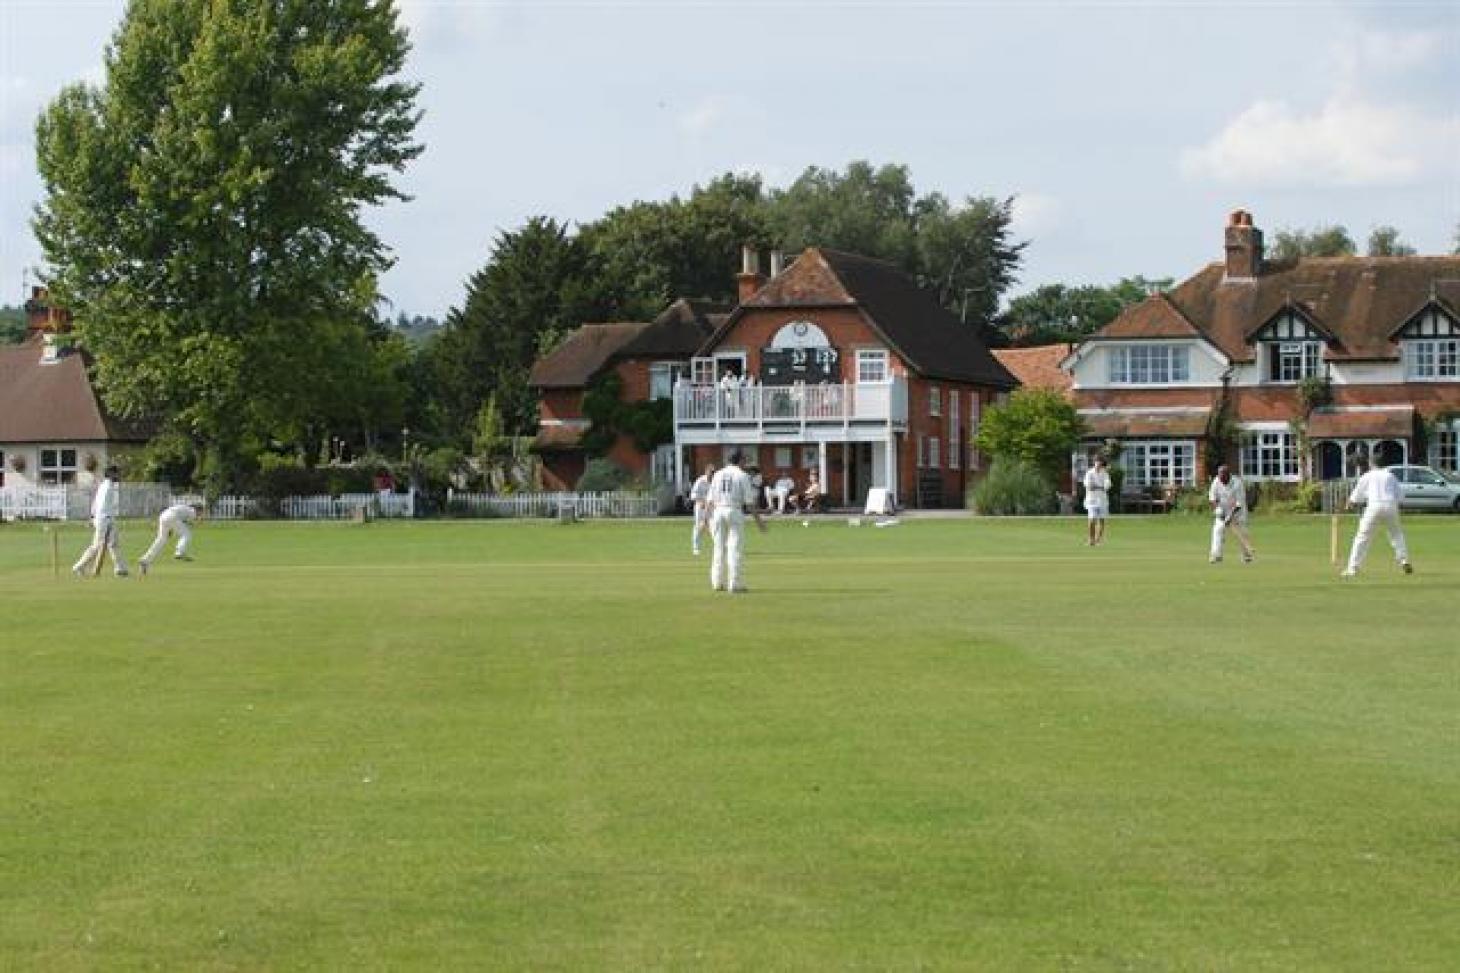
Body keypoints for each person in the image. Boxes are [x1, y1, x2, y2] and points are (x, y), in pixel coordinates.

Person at [707, 450, 766, 593]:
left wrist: (707, 519)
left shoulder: (718, 474)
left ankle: (717, 582)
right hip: (734, 510)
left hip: (718, 511)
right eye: (744, 460)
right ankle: (735, 583)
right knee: (734, 548)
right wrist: (759, 521)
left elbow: (710, 500)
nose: (745, 463)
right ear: (739, 461)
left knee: (718, 547)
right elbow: (749, 502)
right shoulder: (742, 475)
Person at [1343, 455, 1412, 577]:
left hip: (1374, 505)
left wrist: (1350, 504)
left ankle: (1352, 568)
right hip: (1391, 505)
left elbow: (1357, 494)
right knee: (1396, 534)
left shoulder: (1367, 476)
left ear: (1371, 463)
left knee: (1362, 537)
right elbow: (1400, 496)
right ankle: (1404, 560)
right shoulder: (1390, 476)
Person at [72, 465, 128, 578]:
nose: (119, 475)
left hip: (107, 519)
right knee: (97, 546)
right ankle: (79, 567)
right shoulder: (107, 487)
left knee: (113, 544)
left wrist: (93, 516)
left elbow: (95, 503)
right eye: (117, 473)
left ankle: (120, 569)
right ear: (112, 474)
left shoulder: (106, 486)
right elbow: (101, 505)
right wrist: (102, 520)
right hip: (104, 519)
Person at [1207, 464, 1255, 564]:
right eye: (1220, 477)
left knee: (1242, 532)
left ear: (1228, 475)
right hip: (1222, 511)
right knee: (1218, 530)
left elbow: (1239, 504)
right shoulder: (1216, 481)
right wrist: (1218, 509)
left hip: (1238, 513)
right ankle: (1216, 555)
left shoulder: (1237, 483)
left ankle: (1246, 555)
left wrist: (1230, 516)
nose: (1221, 480)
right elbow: (1212, 499)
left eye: (1223, 477)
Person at [138, 502, 200, 575]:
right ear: (198, 509)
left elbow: (182, 521)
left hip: (163, 516)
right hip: (172, 517)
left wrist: (170, 529)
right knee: (186, 534)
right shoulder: (191, 510)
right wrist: (198, 521)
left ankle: (145, 560)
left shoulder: (182, 508)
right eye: (201, 511)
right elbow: (194, 520)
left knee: (161, 540)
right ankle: (179, 552)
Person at [1082, 456, 1112, 546]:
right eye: (1097, 461)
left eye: (1100, 462)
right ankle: (1091, 540)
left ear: (1102, 463)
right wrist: (1100, 487)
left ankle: (1098, 540)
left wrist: (1099, 487)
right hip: (1092, 500)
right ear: (1094, 462)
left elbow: (1107, 486)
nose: (1098, 463)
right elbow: (1088, 486)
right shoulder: (1089, 473)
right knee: (1092, 520)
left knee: (1101, 520)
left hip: (1102, 500)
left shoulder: (1105, 473)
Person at [688, 462, 714, 556]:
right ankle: (696, 548)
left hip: (711, 508)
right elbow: (693, 495)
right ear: (706, 471)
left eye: (713, 472)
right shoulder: (700, 481)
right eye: (710, 472)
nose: (712, 474)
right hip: (700, 507)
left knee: (714, 526)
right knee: (699, 526)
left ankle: (718, 547)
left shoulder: (716, 481)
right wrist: (701, 501)